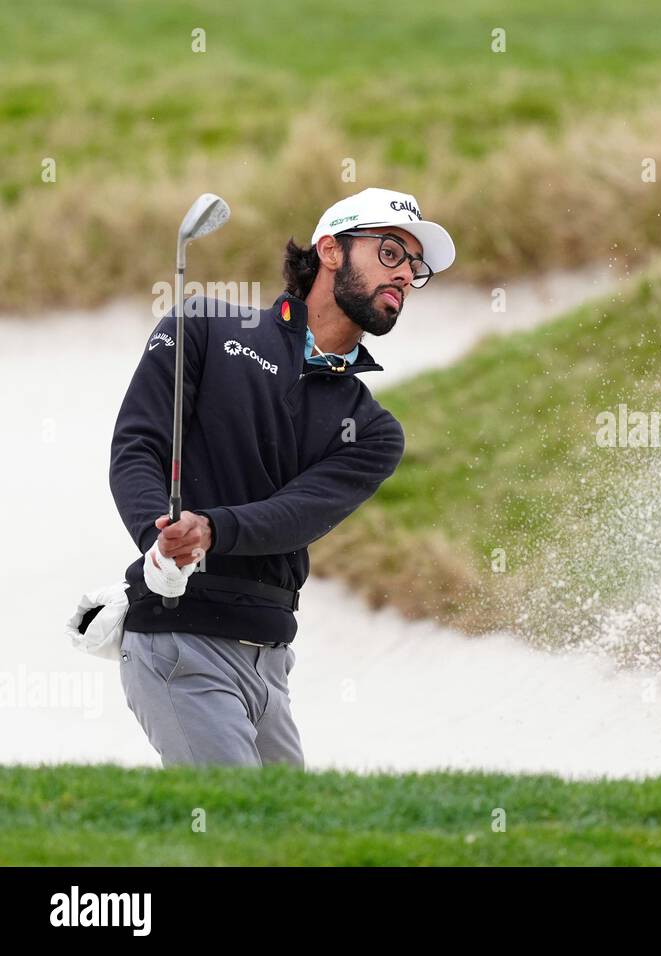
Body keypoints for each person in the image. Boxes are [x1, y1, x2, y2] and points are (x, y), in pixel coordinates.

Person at [109, 187, 454, 768]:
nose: (404, 276)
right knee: (235, 837)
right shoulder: (206, 327)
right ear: (331, 250)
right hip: (180, 639)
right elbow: (138, 447)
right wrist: (158, 539)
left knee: (290, 843)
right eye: (391, 253)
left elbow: (297, 513)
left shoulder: (371, 428)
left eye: (415, 267)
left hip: (270, 660)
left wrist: (211, 530)